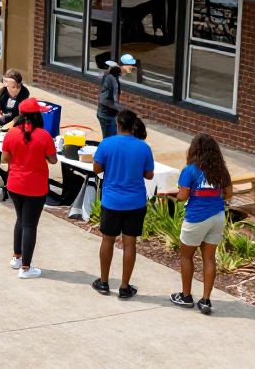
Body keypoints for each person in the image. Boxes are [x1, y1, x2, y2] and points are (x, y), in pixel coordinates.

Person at [91, 107, 155, 299]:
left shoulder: (107, 143)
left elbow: (96, 168)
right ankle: (125, 286)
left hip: (111, 201)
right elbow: (149, 175)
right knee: (130, 244)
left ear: (118, 124)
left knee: (107, 240)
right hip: (135, 203)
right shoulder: (144, 147)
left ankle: (103, 282)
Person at [168, 133, 233, 314]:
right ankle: (205, 301)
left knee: (186, 256)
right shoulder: (221, 171)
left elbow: (182, 196)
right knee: (209, 259)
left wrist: (170, 195)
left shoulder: (190, 170)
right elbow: (228, 194)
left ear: (194, 150)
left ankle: (186, 296)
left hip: (196, 218)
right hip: (217, 216)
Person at [1, 98, 58, 279]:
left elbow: (4, 159)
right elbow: (53, 160)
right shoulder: (44, 135)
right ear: (37, 115)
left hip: (14, 184)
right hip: (35, 186)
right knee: (30, 225)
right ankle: (26, 268)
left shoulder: (11, 133)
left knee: (21, 219)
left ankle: (17, 258)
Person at [0, 70, 31, 188]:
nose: (15, 90)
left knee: (11, 153)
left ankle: (11, 180)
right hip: (1, 124)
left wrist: (10, 124)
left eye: (17, 87)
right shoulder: (4, 92)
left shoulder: (24, 93)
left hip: (16, 127)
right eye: (12, 87)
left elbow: (21, 115)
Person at [98, 54, 137, 138]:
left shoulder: (115, 76)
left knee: (112, 139)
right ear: (123, 65)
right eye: (130, 65)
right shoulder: (112, 78)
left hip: (110, 114)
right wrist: (119, 108)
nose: (132, 67)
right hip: (106, 116)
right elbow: (104, 100)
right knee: (109, 140)